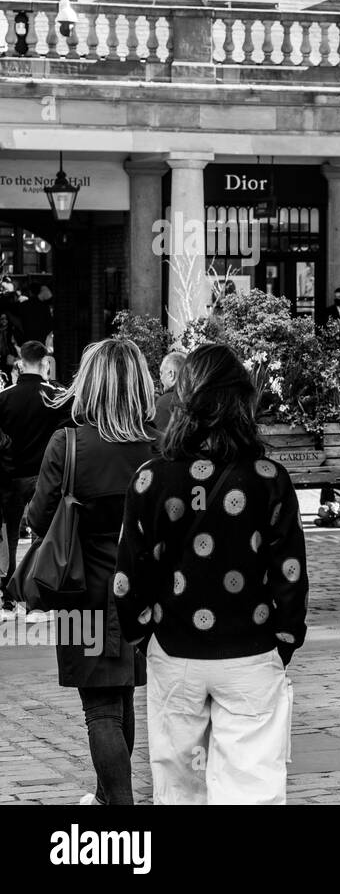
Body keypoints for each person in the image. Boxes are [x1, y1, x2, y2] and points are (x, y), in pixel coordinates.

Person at [114, 344, 307, 804]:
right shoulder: (268, 477)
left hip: (175, 650)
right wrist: (286, 638)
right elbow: (290, 573)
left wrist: (142, 635)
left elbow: (127, 576)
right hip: (251, 648)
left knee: (178, 783)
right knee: (252, 781)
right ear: (242, 403)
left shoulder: (150, 478)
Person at [23, 339, 157, 804]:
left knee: (100, 706)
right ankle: (107, 795)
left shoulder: (70, 443)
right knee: (121, 694)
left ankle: (118, 806)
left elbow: (38, 519)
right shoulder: (157, 446)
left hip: (81, 588)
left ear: (91, 383)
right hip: (141, 588)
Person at [0, 340, 71, 613]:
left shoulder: (5, 397)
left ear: (20, 361)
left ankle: (9, 590)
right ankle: (43, 590)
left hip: (13, 475)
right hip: (47, 475)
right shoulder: (55, 395)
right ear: (45, 363)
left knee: (11, 535)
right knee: (48, 535)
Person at [154, 350, 186, 433]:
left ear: (171, 374)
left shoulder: (164, 402)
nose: (160, 378)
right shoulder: (198, 399)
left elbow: (161, 442)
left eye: (161, 373)